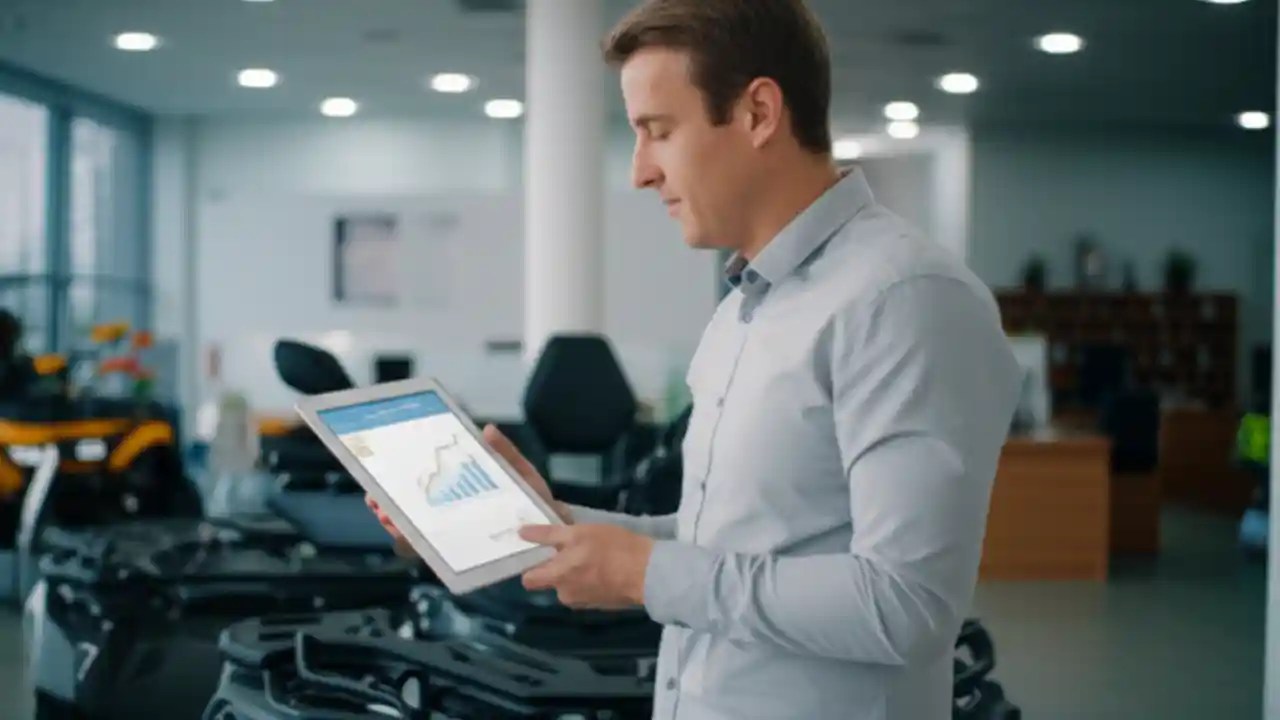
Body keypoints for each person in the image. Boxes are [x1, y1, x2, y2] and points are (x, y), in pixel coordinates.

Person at [369, 0, 1020, 717]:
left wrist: (647, 575)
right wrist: (549, 522)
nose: (640, 171)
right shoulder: (748, 304)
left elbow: (906, 604)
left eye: (659, 132)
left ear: (758, 113)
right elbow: (726, 542)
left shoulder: (902, 298)